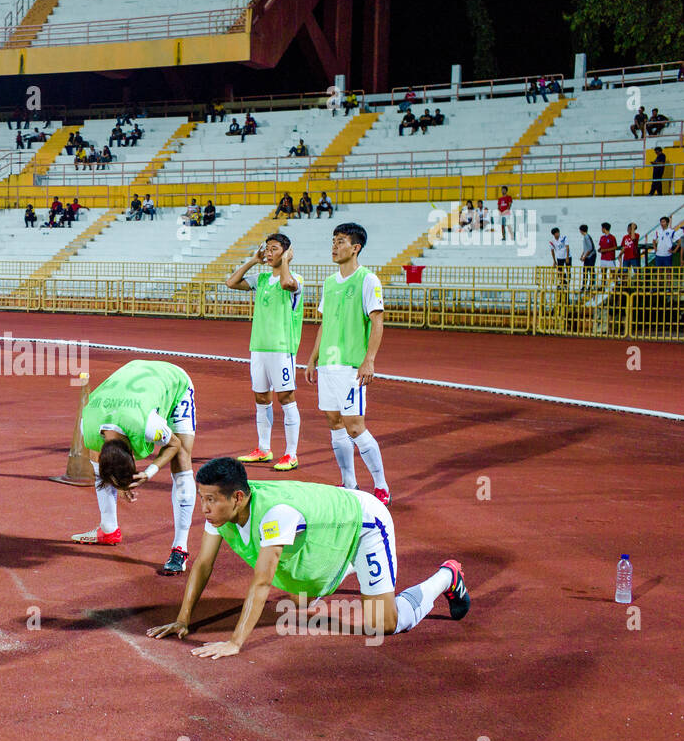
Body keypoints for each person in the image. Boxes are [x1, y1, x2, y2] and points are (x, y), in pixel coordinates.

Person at [144, 458, 469, 657]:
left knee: (382, 623)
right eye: (203, 499)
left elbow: (261, 583)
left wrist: (235, 642)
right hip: (330, 525)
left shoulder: (274, 515)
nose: (204, 509)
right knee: (304, 583)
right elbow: (202, 564)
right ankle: (355, 572)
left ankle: (447, 576)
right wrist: (183, 619)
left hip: (364, 523)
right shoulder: (223, 508)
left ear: (238, 497)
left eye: (211, 500)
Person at [71, 359, 198, 576]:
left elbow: (174, 444)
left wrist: (150, 471)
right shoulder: (89, 426)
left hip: (172, 381)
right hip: (131, 385)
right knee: (94, 450)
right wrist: (119, 483)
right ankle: (108, 528)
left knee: (182, 456)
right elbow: (98, 454)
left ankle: (180, 547)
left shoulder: (147, 426)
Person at [304, 223, 390, 505]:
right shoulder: (329, 283)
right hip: (328, 365)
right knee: (334, 423)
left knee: (354, 426)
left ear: (355, 248)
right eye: (333, 241)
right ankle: (349, 482)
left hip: (352, 367)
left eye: (340, 241)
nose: (334, 246)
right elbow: (324, 323)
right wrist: (312, 358)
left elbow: (377, 321)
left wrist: (369, 361)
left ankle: (381, 486)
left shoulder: (368, 280)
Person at [225, 234, 303, 471]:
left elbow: (286, 284)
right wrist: (252, 260)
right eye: (267, 249)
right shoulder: (261, 278)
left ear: (286, 252)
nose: (269, 253)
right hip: (258, 347)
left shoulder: (296, 279)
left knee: (286, 399)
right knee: (261, 398)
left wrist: (286, 262)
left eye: (274, 249)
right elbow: (231, 282)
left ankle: (291, 454)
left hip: (282, 348)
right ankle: (263, 448)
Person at [578, 223, 596, 290]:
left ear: (581, 230)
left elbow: (590, 248)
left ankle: (590, 286)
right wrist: (582, 255)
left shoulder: (587, 237)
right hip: (587, 256)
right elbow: (586, 248)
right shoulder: (586, 237)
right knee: (585, 271)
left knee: (590, 271)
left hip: (590, 256)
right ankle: (584, 286)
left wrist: (584, 257)